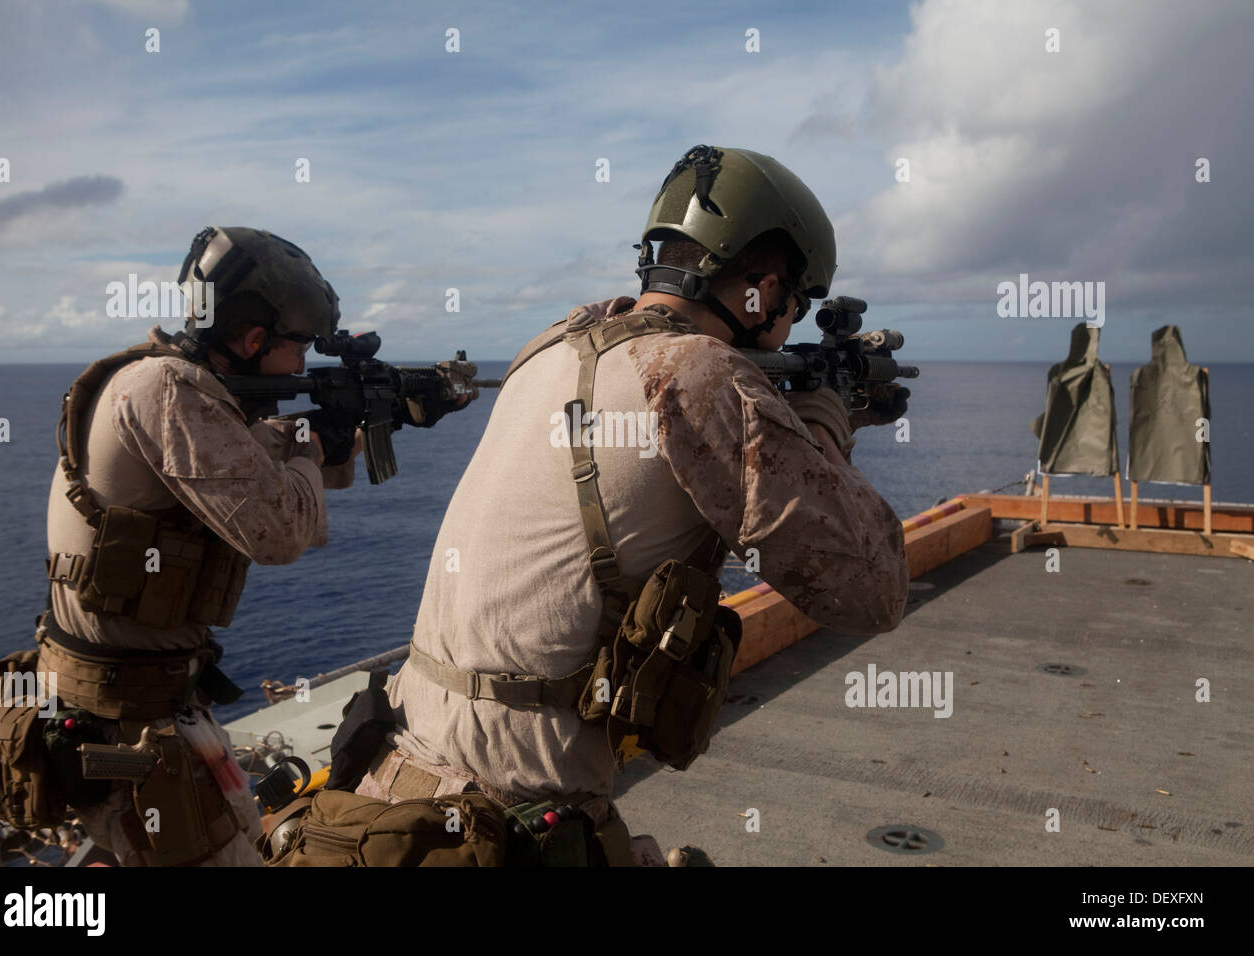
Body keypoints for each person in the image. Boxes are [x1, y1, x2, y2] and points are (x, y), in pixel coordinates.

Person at [355, 145, 910, 865]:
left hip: (395, 788)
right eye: (795, 306)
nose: (791, 323)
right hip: (501, 828)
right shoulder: (697, 374)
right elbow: (872, 588)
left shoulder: (551, 345)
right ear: (765, 289)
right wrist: (830, 424)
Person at [37, 226, 355, 866]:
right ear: (251, 338)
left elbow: (257, 474)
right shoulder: (168, 392)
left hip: (154, 702)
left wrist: (349, 429)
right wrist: (311, 445)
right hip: (126, 720)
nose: (303, 364)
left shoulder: (172, 386)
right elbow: (278, 530)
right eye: (297, 345)